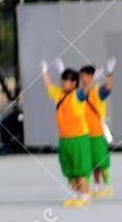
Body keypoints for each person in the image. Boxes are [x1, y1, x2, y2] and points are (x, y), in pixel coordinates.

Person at [41, 60, 93, 206]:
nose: (64, 82)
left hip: (79, 137)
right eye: (63, 79)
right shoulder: (58, 94)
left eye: (68, 80)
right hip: (64, 138)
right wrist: (44, 71)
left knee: (80, 167)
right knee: (69, 167)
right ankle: (75, 194)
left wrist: (95, 78)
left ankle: (85, 195)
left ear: (75, 83)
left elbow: (86, 89)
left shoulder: (78, 95)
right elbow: (48, 85)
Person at [78, 61, 115, 197]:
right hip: (85, 133)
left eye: (84, 76)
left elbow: (108, 88)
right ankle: (97, 185)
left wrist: (109, 73)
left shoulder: (97, 91)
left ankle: (108, 185)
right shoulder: (81, 93)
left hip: (97, 132)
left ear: (91, 76)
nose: (82, 79)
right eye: (81, 76)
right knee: (91, 162)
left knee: (101, 160)